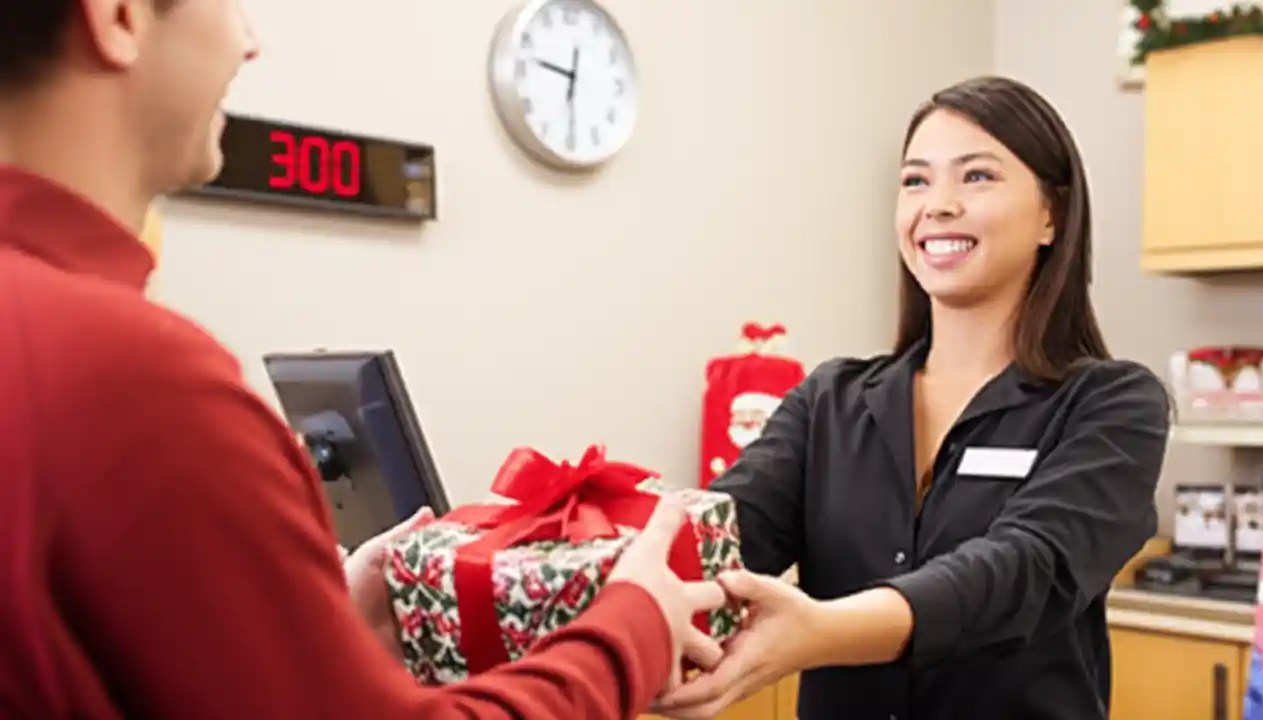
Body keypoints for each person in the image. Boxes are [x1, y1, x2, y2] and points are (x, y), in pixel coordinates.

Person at [0, 1, 726, 718]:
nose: (250, 42)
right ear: (119, 17)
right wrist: (632, 630)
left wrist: (312, 630)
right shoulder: (139, 382)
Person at [652, 76, 1172, 720]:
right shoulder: (829, 401)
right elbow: (724, 538)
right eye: (916, 181)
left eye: (976, 177)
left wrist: (823, 632)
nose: (938, 205)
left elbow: (1025, 567)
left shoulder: (1112, 404)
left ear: (1052, 215)